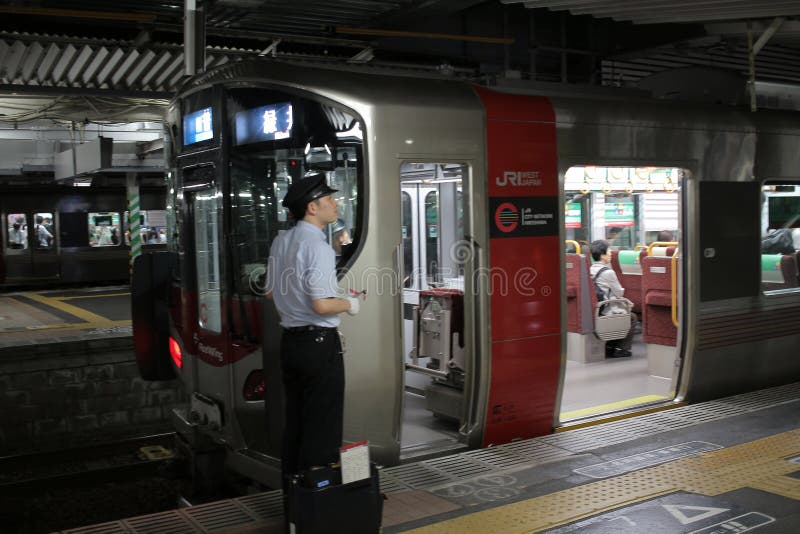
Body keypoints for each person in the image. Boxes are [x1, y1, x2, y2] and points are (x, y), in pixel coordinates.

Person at [266, 172, 360, 486]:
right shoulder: (316, 247)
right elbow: (322, 305)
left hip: (292, 344)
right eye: (329, 199)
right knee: (323, 429)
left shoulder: (282, 241)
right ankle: (319, 505)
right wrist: (349, 303)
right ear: (312, 208)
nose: (336, 203)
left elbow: (270, 292)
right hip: (320, 346)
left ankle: (295, 501)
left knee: (297, 423)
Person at [589, 239, 636, 358]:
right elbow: (619, 292)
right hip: (605, 308)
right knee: (632, 317)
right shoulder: (608, 272)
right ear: (602, 255)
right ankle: (622, 348)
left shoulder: (590, 269)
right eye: (609, 251)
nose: (610, 254)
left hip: (595, 307)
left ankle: (610, 346)